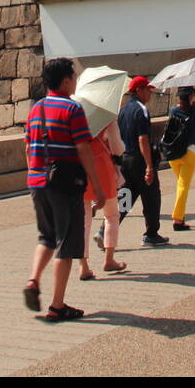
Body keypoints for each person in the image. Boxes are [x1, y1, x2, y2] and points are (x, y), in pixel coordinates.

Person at [21, 58, 108, 321]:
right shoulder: (72, 109)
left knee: (46, 236)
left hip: (38, 181)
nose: (76, 81)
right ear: (65, 81)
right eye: (74, 76)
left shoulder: (36, 109)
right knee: (67, 244)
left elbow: (27, 146)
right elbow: (83, 148)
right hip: (65, 184)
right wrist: (98, 186)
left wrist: (35, 175)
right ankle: (57, 305)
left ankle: (33, 280)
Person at [118, 76, 168, 246]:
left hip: (126, 158)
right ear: (139, 90)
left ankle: (107, 228)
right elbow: (143, 139)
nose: (150, 94)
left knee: (126, 195)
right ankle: (151, 232)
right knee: (151, 195)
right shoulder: (141, 110)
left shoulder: (123, 110)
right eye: (148, 90)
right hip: (139, 159)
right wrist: (149, 166)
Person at [79, 115, 129, 279]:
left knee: (84, 222)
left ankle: (83, 265)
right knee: (112, 215)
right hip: (102, 168)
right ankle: (109, 258)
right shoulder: (107, 119)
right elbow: (117, 148)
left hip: (81, 168)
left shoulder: (75, 117)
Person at [166, 86, 195, 232]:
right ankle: (178, 219)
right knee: (183, 186)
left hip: (173, 152)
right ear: (191, 96)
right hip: (189, 152)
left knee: (180, 184)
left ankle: (181, 216)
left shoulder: (173, 110)